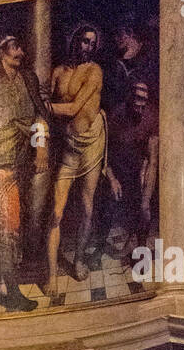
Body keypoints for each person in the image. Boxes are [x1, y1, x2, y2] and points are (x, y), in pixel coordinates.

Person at [0, 36, 50, 310]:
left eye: (21, 47)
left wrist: (40, 147)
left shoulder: (27, 80)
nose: (21, 52)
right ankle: (12, 291)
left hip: (17, 164)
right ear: (1, 52)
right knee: (3, 230)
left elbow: (39, 116)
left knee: (12, 228)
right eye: (15, 47)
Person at [47, 24, 121, 293]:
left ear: (95, 46)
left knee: (87, 206)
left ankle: (78, 259)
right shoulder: (58, 71)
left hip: (92, 143)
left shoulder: (95, 72)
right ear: (74, 40)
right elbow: (45, 97)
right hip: (69, 146)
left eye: (90, 43)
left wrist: (42, 106)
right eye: (82, 40)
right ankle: (52, 273)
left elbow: (74, 108)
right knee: (56, 210)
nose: (85, 46)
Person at [105, 81, 158, 253]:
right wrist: (112, 179)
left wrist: (146, 199)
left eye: (144, 103)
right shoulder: (118, 114)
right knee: (109, 207)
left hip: (139, 166)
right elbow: (105, 152)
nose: (140, 109)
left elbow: (152, 160)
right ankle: (101, 246)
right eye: (137, 103)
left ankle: (140, 247)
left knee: (144, 209)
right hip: (117, 167)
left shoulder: (151, 116)